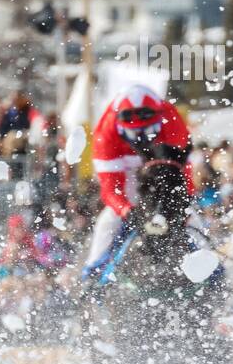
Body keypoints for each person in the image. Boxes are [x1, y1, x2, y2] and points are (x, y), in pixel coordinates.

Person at [82, 83, 193, 276]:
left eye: (147, 132)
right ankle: (92, 271)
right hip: (127, 169)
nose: (141, 138)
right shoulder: (105, 134)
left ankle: (211, 264)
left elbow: (183, 176)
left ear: (159, 120)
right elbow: (110, 190)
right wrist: (127, 210)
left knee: (192, 216)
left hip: (162, 166)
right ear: (119, 126)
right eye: (133, 133)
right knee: (109, 219)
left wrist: (182, 206)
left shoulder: (172, 120)